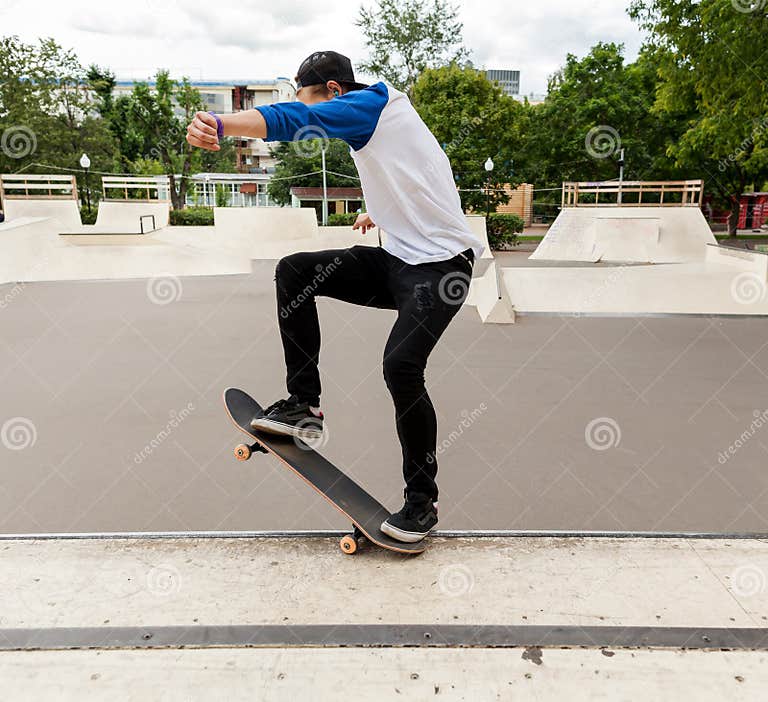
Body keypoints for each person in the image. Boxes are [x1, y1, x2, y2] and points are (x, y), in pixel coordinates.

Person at [187, 51, 483, 543]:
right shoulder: (379, 122)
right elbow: (410, 175)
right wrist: (378, 212)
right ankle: (305, 405)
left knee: (401, 366)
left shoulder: (372, 103)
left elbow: (295, 117)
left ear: (333, 92)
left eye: (311, 99)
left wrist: (222, 122)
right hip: (398, 264)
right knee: (295, 272)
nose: (316, 116)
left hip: (442, 272)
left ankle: (421, 503)